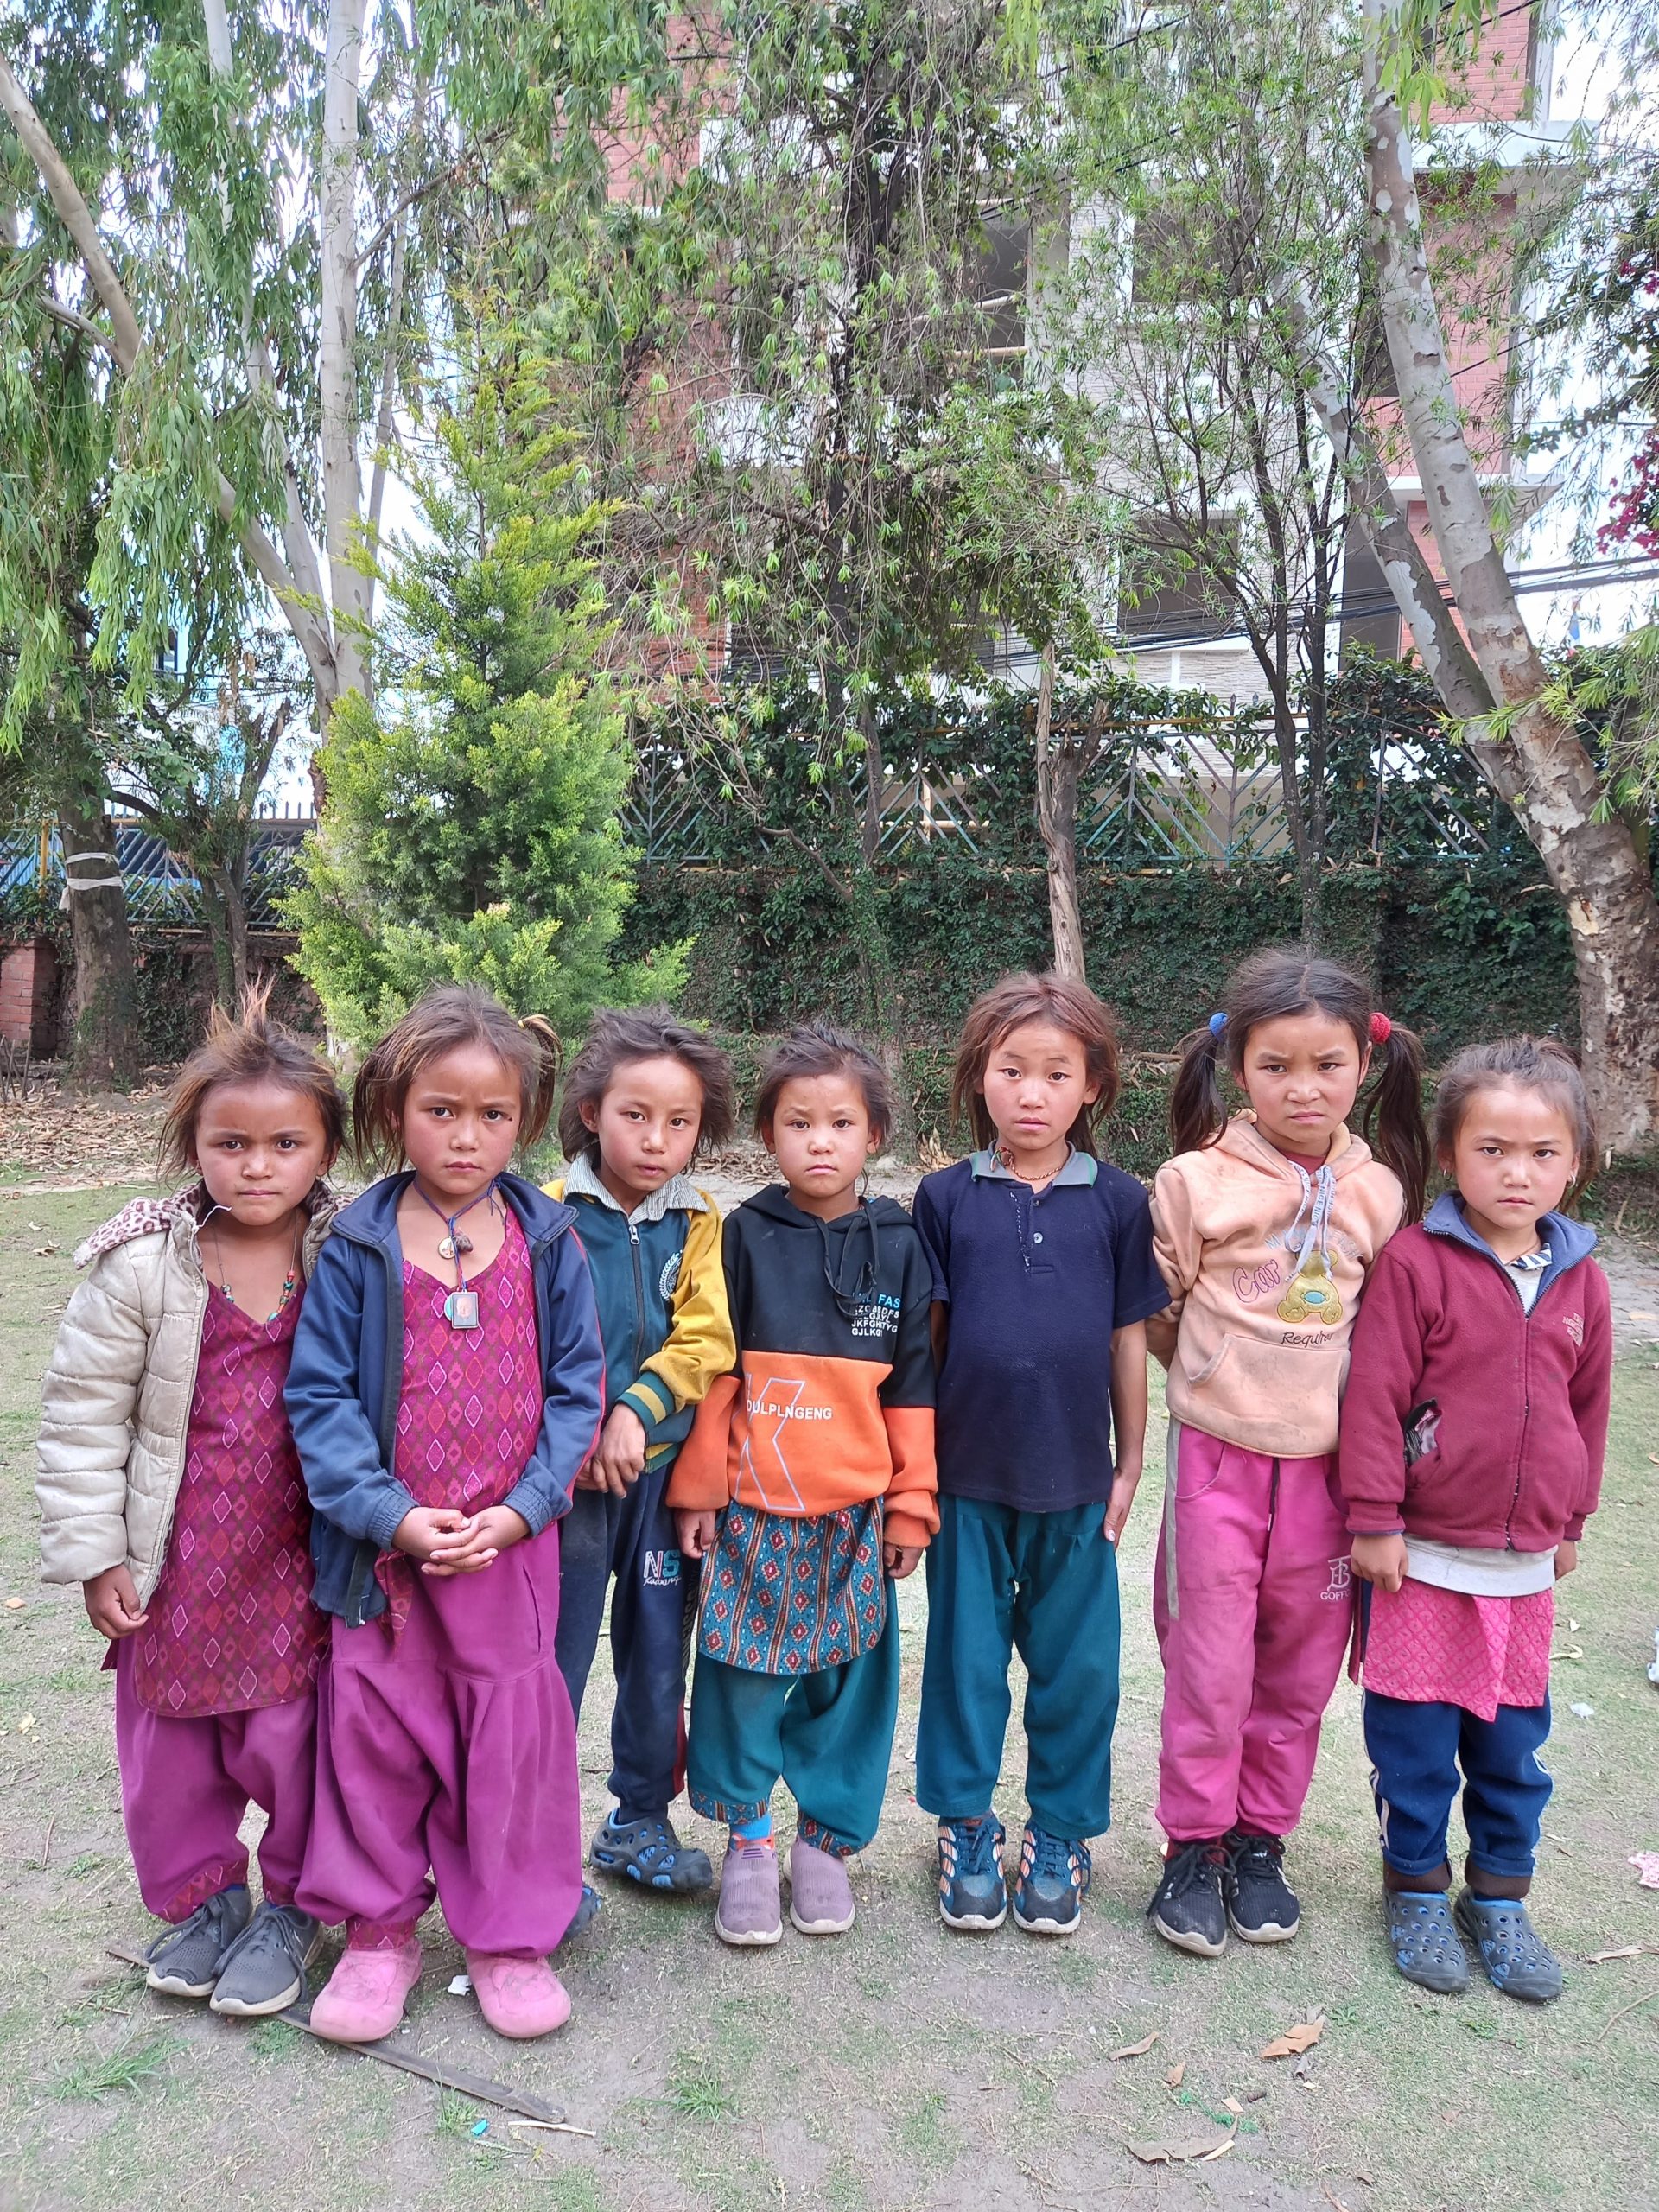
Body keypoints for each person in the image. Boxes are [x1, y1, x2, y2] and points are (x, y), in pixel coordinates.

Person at [286, 985, 604, 2043]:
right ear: (393, 1108)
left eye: (493, 1114)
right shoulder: (356, 1244)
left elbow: (578, 1392)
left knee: (507, 1740)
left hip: (510, 1558)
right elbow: (319, 1399)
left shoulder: (549, 1239)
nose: (467, 1136)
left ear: (526, 1119)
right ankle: (379, 1932)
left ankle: (509, 1937)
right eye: (441, 1110)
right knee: (376, 1735)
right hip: (385, 1564)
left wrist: (521, 1511)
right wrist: (391, 1516)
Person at [37, 990, 345, 2018]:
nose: (258, 1166)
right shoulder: (141, 1263)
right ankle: (204, 1898)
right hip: (174, 1560)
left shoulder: (351, 1256)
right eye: (231, 1143)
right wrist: (96, 1554)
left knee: (297, 1737)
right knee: (170, 1746)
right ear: (194, 1146)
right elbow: (84, 1416)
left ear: (325, 1150)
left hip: (298, 1560)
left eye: (285, 1144)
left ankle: (295, 1905)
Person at [1145, 949, 1429, 1957]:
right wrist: (1219, 1377)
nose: (1303, 1088)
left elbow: (1391, 1342)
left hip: (1328, 1477)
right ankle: (1193, 1847)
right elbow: (1162, 1315)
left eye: (1327, 1064)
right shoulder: (1194, 1182)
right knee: (1209, 1666)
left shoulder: (1380, 1192)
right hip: (1215, 1463)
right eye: (1276, 1066)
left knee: (1301, 1673)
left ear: (1365, 1062)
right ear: (1238, 1068)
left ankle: (1259, 1842)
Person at [1341, 1037, 1611, 2004]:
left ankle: (1498, 1898)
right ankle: (1416, 1889)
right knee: (1414, 1749)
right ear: (1451, 1152)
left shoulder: (1582, 1278)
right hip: (1420, 1560)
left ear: (1575, 1163)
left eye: (1543, 1153)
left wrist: (1572, 1518)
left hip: (1523, 1571)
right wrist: (1375, 1518)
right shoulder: (1416, 1263)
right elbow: (1375, 1397)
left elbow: (1589, 1406)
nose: (1516, 1172)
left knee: (1512, 1751)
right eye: (1492, 1149)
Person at [912, 972, 1167, 1938]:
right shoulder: (943, 1198)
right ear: (979, 1076)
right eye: (1011, 1070)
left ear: (1091, 1085)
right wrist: (917, 1471)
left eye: (1056, 1073)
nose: (1031, 1093)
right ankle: (965, 1826)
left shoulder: (1120, 1202)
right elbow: (928, 1345)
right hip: (967, 1482)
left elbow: (1128, 1341)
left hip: (1077, 1485)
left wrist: (1129, 1465)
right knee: (965, 1663)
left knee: (1081, 1671)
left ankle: (1060, 1833)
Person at [670, 1025, 937, 1948]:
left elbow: (914, 1387)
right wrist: (699, 1491)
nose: (820, 1142)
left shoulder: (901, 1244)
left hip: (855, 1514)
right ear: (767, 1134)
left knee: (849, 1684)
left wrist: (910, 1505)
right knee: (741, 1678)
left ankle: (825, 1842)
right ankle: (748, 1838)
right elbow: (716, 1374)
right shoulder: (740, 1236)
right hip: (752, 1512)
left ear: (875, 1135)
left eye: (841, 1123)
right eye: (798, 1123)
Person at [549, 1008, 737, 1900]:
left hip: (658, 1480)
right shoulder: (545, 1214)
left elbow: (707, 1338)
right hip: (567, 1485)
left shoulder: (699, 1220)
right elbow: (530, 1342)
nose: (657, 1139)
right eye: (636, 1115)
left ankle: (638, 1819)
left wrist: (636, 1410)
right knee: (552, 1663)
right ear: (592, 1111)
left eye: (679, 1122)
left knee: (660, 1655)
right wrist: (587, 1428)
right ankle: (535, 1839)